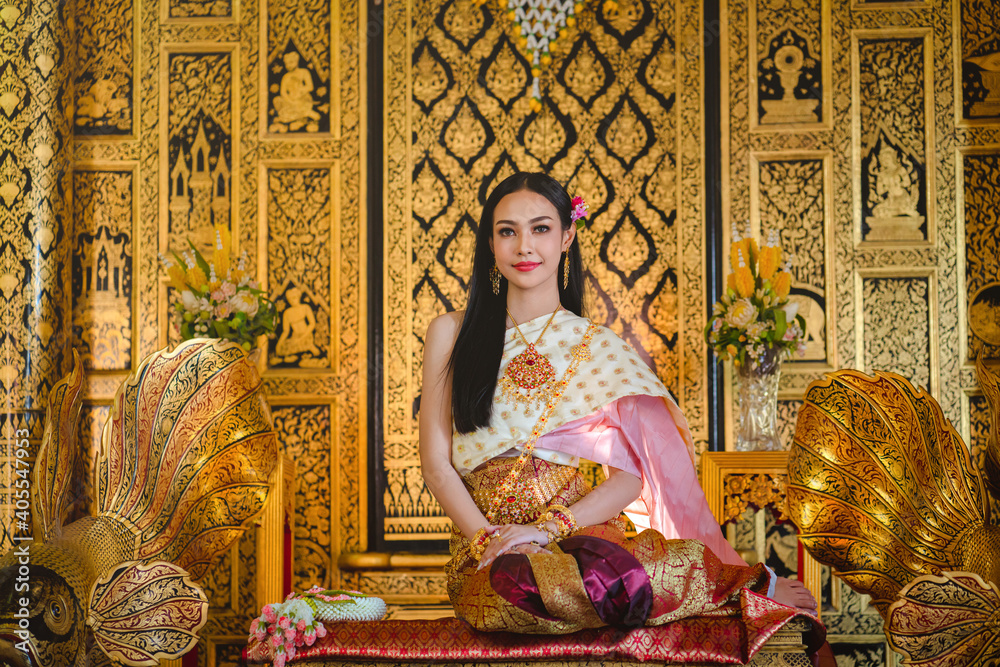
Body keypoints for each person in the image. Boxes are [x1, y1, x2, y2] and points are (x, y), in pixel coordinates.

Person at [419, 172, 816, 633]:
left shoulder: (598, 347)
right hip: (486, 551)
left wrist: (545, 530)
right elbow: (436, 466)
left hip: (573, 538)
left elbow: (630, 478)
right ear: (490, 243)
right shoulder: (451, 332)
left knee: (620, 576)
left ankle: (740, 584)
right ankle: (715, 587)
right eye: (508, 231)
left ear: (567, 235)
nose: (524, 246)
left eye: (541, 228)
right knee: (519, 591)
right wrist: (495, 542)